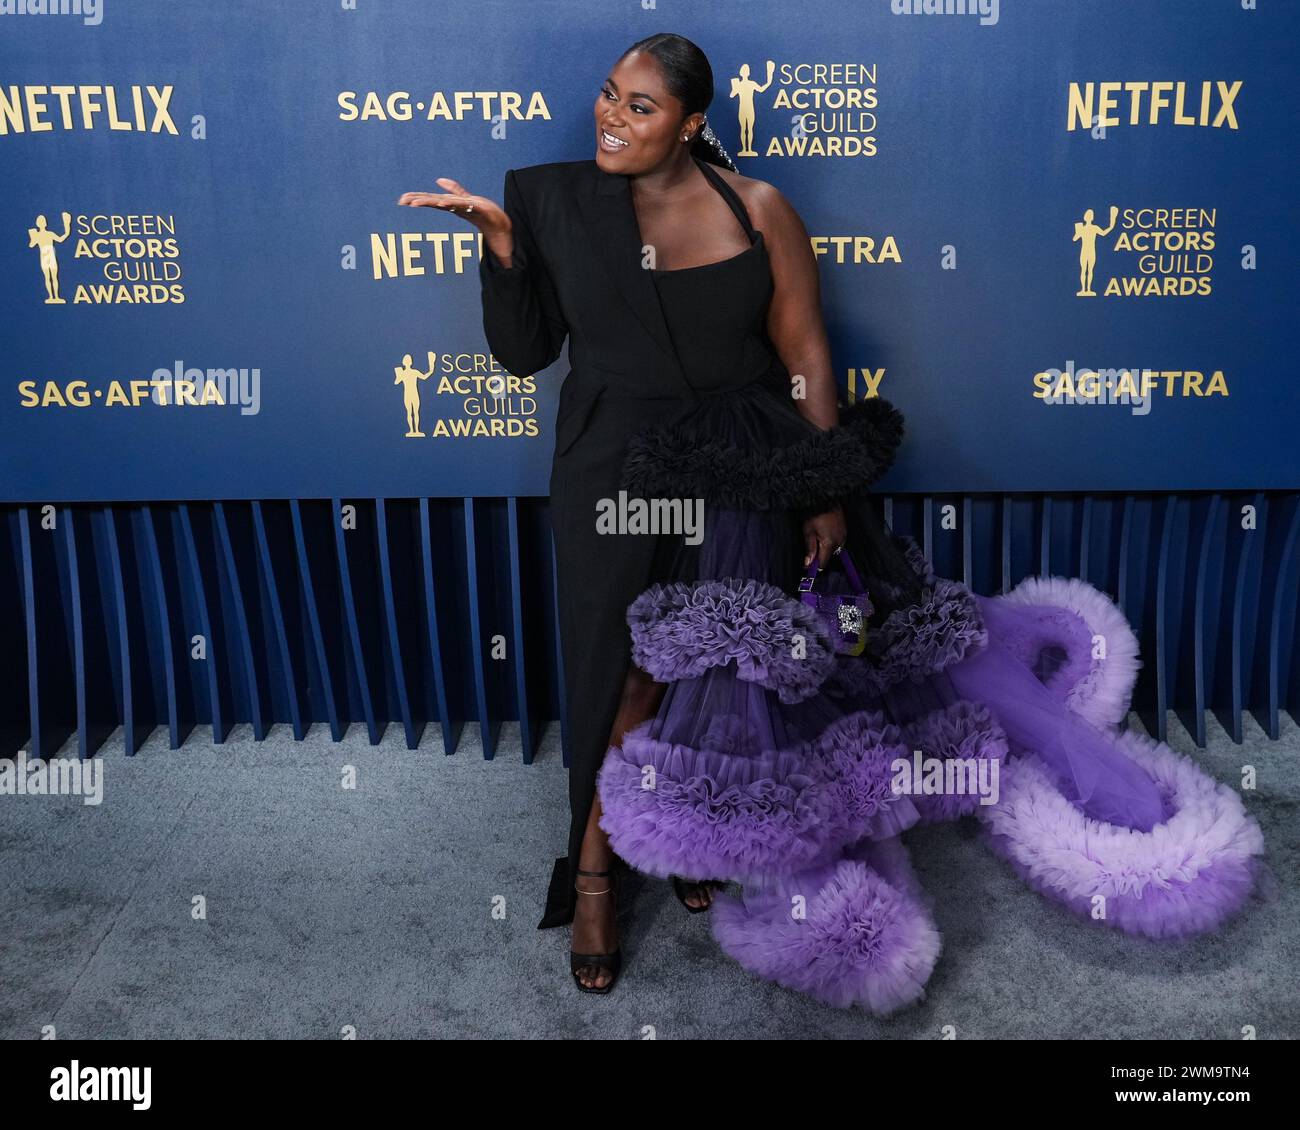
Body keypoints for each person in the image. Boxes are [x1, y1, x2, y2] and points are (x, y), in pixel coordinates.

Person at [400, 33, 1265, 1005]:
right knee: (622, 670)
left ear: (690, 123)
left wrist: (817, 488)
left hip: (744, 462)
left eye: (640, 106)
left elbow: (805, 353)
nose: (609, 115)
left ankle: (692, 835)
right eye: (608, 93)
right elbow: (521, 355)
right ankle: (597, 873)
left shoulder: (758, 208)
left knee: (722, 666)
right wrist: (502, 249)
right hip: (614, 466)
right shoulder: (548, 198)